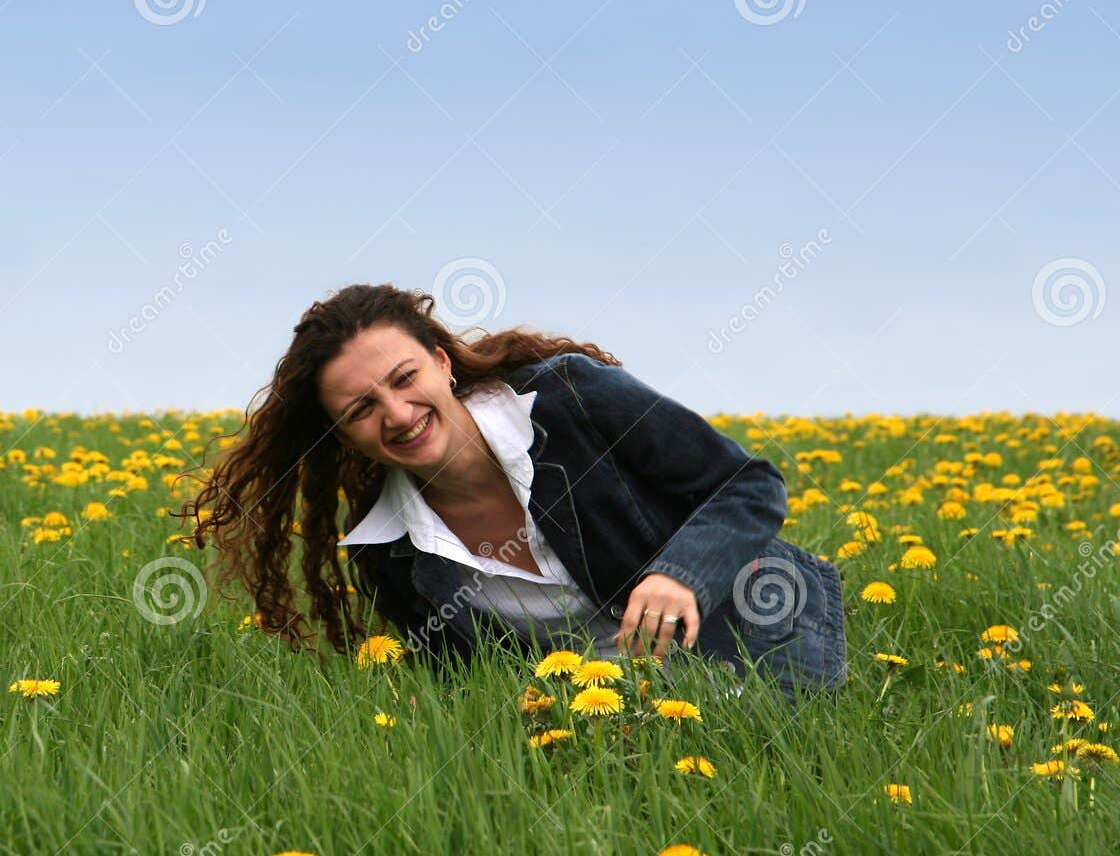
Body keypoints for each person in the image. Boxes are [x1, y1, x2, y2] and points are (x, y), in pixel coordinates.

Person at [185, 283, 847, 701]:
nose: (397, 413)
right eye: (362, 408)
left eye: (405, 378)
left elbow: (749, 485)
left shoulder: (572, 399)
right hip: (618, 710)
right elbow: (468, 685)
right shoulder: (391, 553)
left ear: (441, 363)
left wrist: (680, 575)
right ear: (344, 436)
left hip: (760, 634)